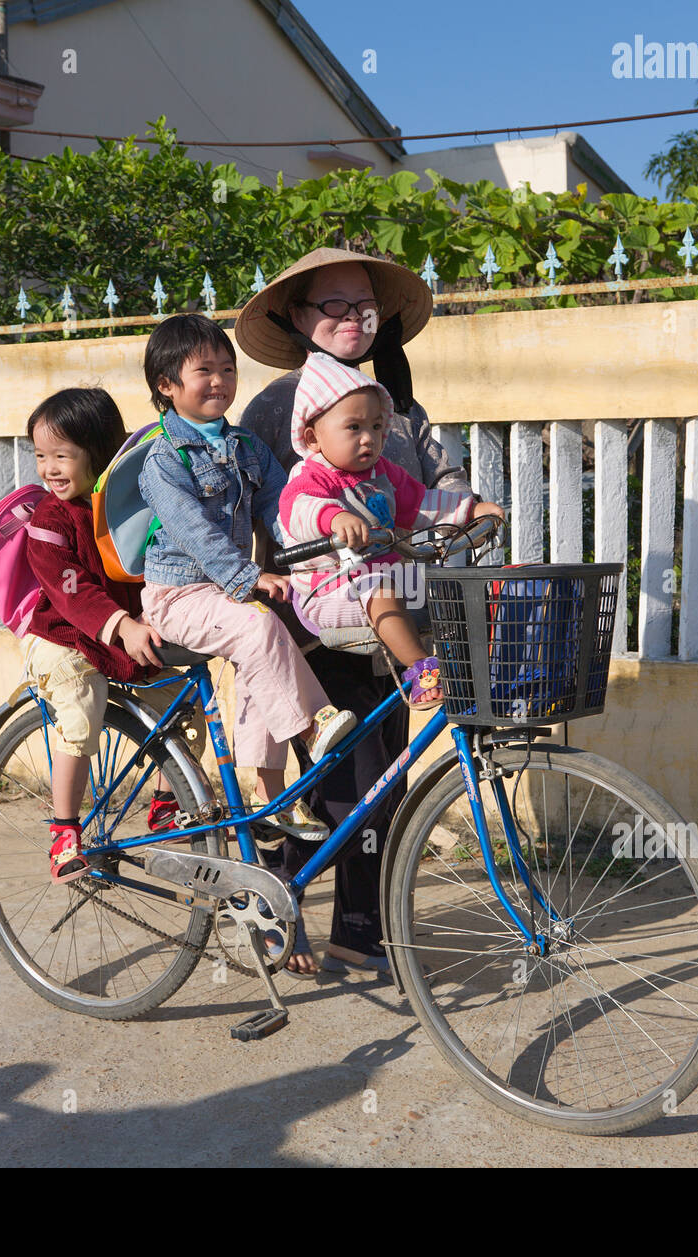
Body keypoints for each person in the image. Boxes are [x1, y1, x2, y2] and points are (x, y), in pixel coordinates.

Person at [237, 247, 471, 975]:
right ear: (298, 317)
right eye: (331, 305)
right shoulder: (277, 409)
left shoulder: (403, 412)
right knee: (329, 786)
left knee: (388, 787)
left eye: (362, 306)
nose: (349, 318)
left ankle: (360, 929)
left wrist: (464, 510)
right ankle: (282, 911)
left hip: (397, 618)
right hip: (316, 626)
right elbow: (263, 512)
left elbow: (436, 488)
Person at [135, 313, 356, 873]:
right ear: (167, 385)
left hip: (227, 593)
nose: (219, 381)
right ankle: (311, 724)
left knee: (267, 643)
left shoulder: (247, 447)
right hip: (178, 597)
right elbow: (194, 532)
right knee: (260, 626)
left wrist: (323, 550)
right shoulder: (163, 457)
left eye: (227, 369)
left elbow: (280, 513)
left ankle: (267, 795)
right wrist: (248, 577)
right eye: (203, 371)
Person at [279, 351, 503, 706]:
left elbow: (421, 503)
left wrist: (470, 509)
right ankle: (421, 671)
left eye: (376, 427)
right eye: (354, 427)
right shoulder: (311, 476)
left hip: (381, 577)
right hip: (326, 590)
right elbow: (300, 510)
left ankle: (484, 668)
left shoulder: (383, 472)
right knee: (380, 588)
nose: (368, 438)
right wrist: (335, 518)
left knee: (450, 588)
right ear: (312, 438)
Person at [22, 387, 168, 883]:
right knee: (82, 698)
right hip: (61, 633)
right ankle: (64, 832)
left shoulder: (124, 504)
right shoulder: (50, 520)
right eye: (41, 456)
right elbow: (71, 590)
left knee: (176, 691)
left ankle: (170, 801)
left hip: (119, 632)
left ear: (99, 454)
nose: (49, 468)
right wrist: (122, 625)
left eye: (62, 455)